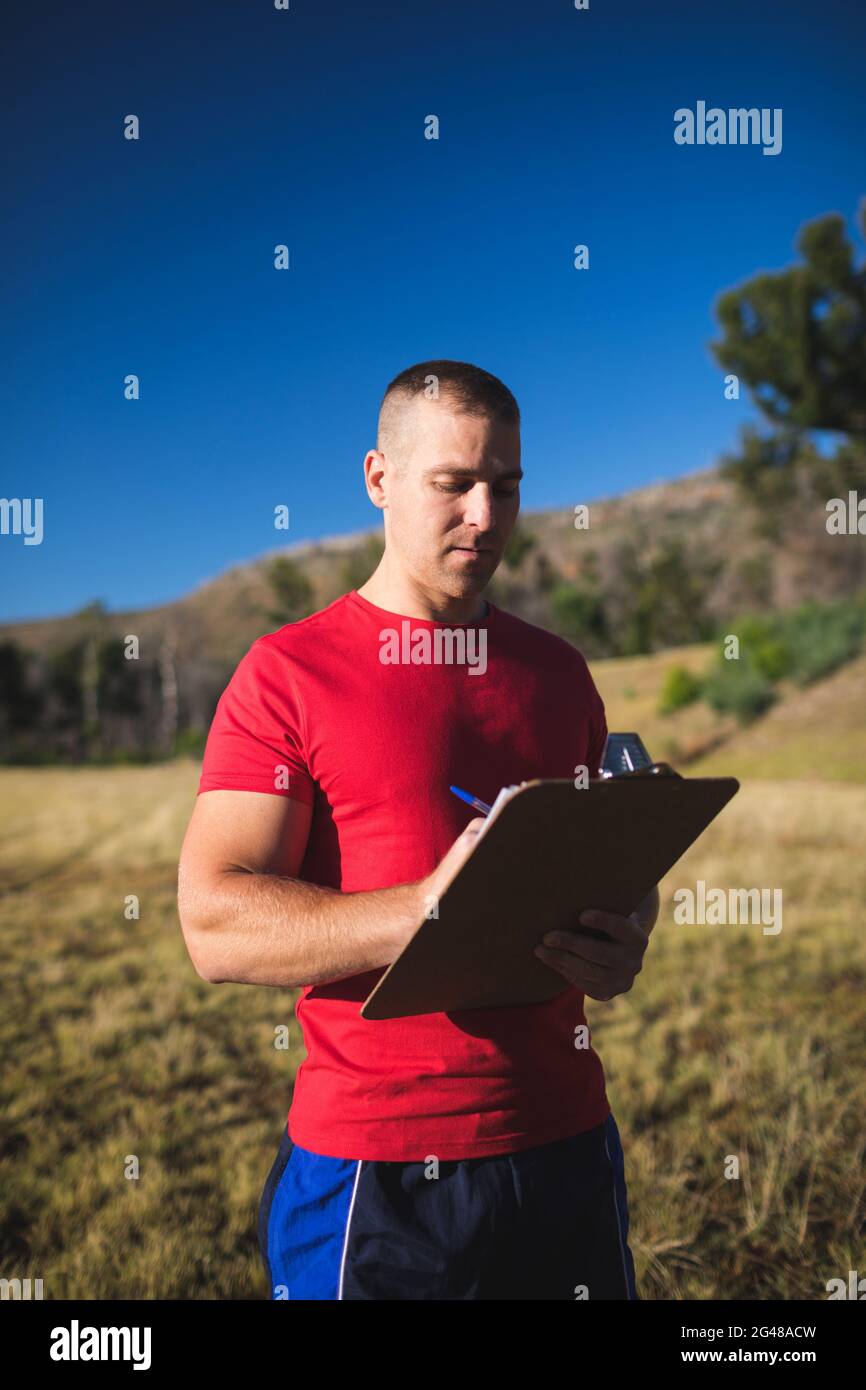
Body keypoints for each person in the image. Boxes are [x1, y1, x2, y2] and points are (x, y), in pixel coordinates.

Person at [177, 359, 658, 1300]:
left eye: (506, 487)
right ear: (379, 479)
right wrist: (433, 907)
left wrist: (627, 933)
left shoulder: (559, 673)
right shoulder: (288, 674)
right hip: (376, 1172)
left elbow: (613, 865)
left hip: (567, 1143)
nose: (485, 514)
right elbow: (213, 922)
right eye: (453, 484)